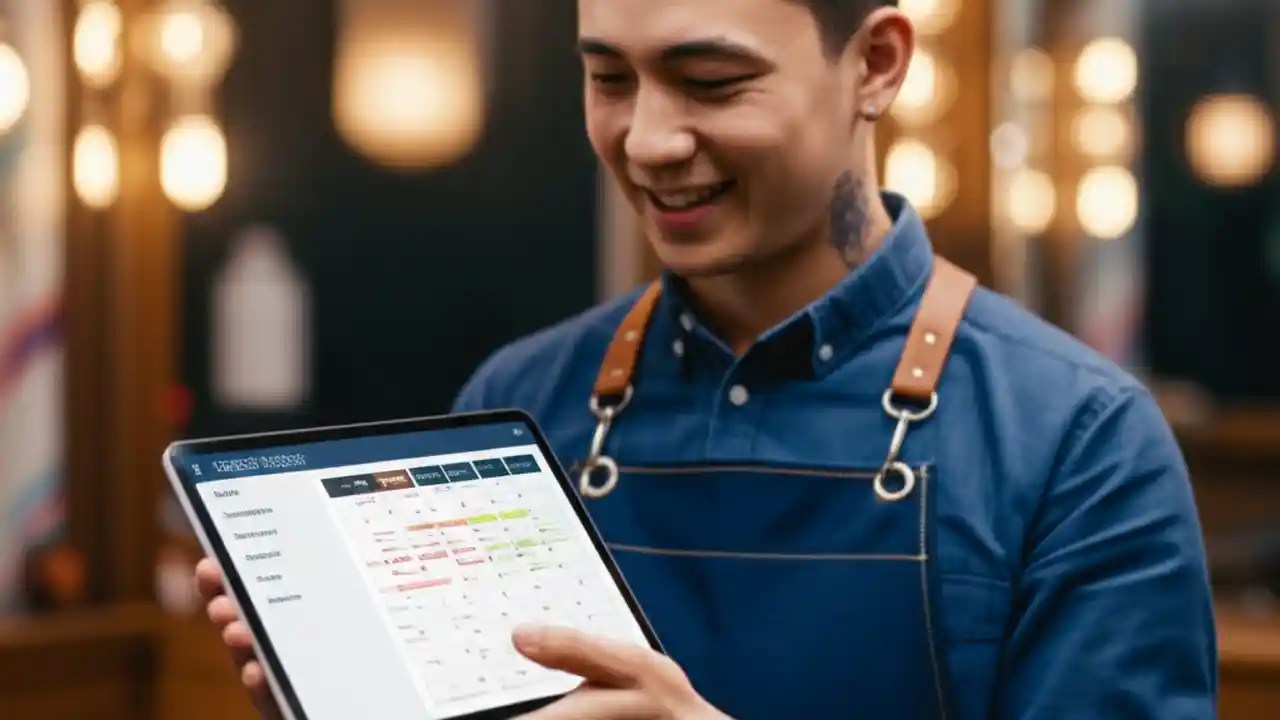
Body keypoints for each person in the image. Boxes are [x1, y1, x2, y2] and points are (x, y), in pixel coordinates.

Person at [196, 0, 1218, 717]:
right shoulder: (520, 399)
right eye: (607, 78)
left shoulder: (1079, 444)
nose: (644, 139)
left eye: (710, 83)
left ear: (875, 65)